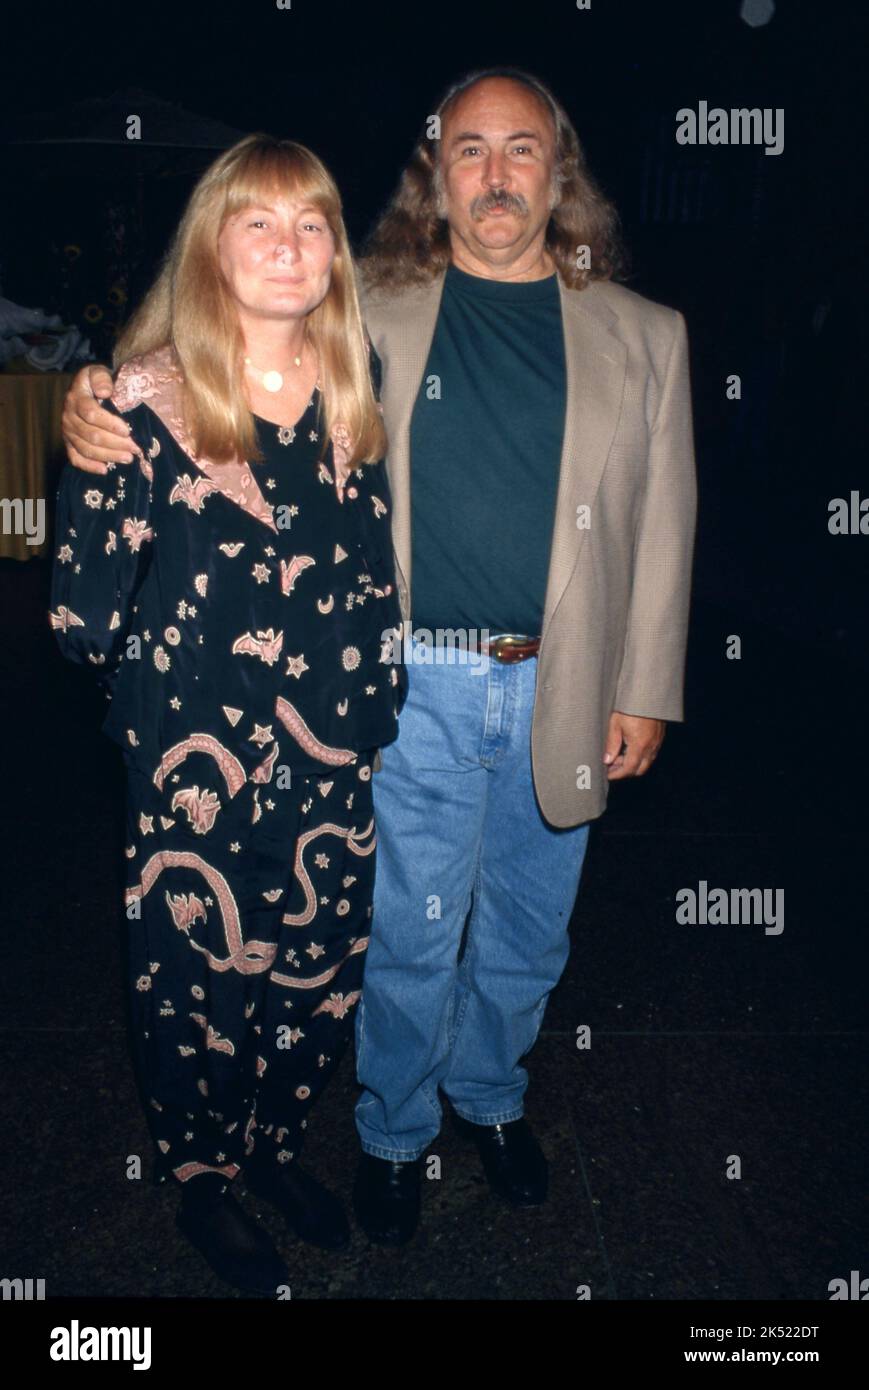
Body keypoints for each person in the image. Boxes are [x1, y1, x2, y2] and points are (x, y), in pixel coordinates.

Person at [62, 66, 697, 1249]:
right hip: (410, 684)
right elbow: (221, 355)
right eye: (468, 150)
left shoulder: (645, 335)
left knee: (526, 924)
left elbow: (666, 522)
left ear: (559, 172)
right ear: (434, 175)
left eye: (521, 149)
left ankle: (492, 1101)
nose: (496, 173)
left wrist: (644, 688)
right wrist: (93, 401)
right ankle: (393, 1131)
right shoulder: (373, 321)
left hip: (564, 679)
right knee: (399, 928)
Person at [51, 133, 406, 1290]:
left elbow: (370, 572)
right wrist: (164, 712)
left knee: (313, 971)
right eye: (256, 219)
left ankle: (271, 1144)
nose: (287, 244)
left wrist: (373, 700)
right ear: (210, 244)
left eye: (310, 222)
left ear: (334, 256)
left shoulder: (358, 383)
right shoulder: (140, 395)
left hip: (330, 760)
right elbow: (81, 615)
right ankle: (200, 1174)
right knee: (192, 974)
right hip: (194, 766)